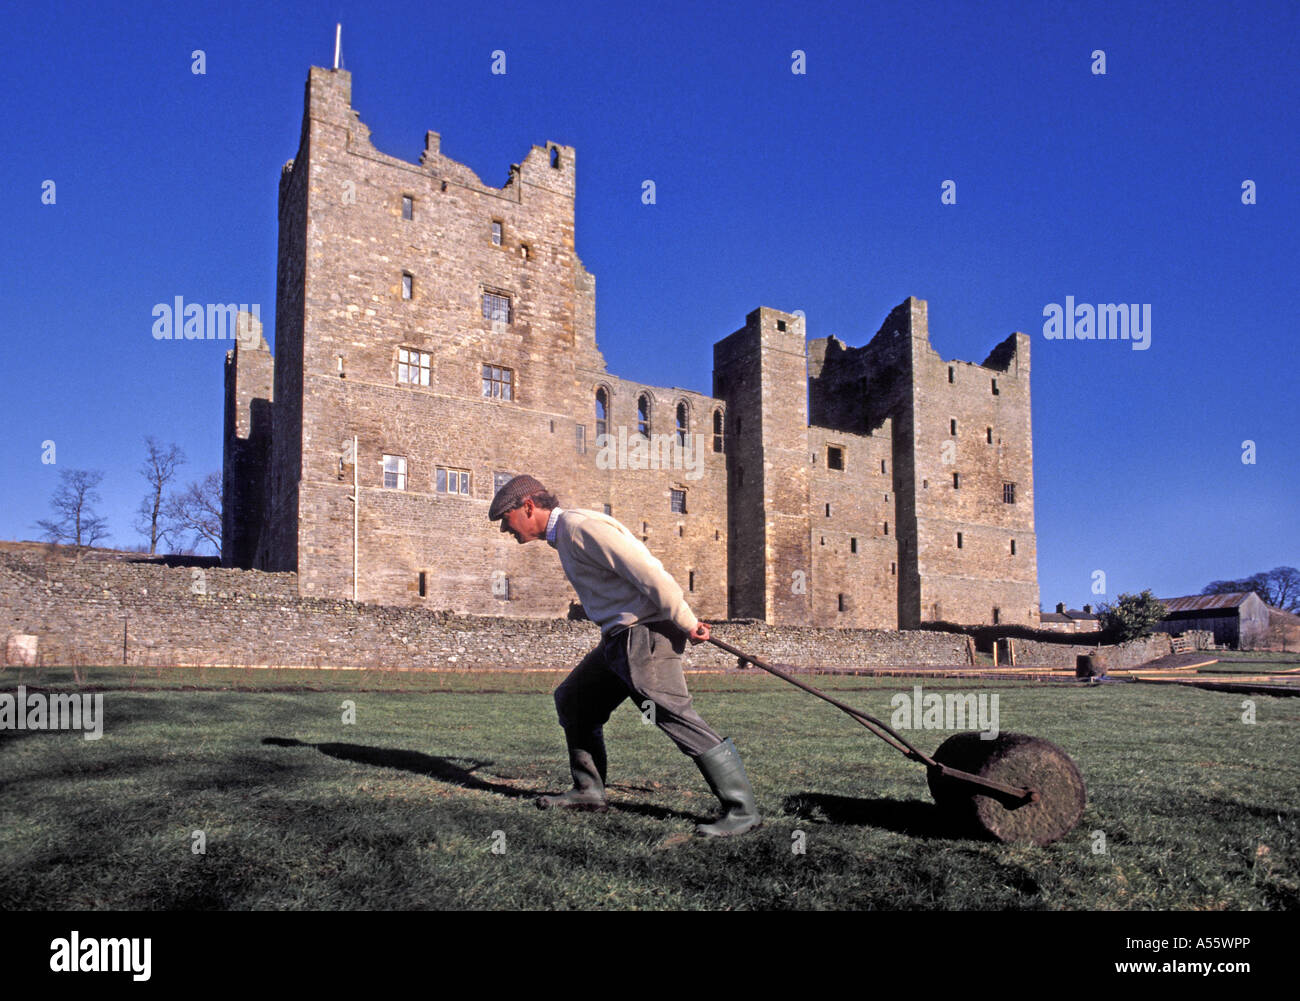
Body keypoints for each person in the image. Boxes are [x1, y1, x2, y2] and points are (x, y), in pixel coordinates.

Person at [488, 474, 760, 837]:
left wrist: (685, 620)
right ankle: (588, 792)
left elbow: (647, 571)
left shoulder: (578, 527)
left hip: (643, 635)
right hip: (618, 640)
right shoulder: (564, 536)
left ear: (528, 507)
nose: (505, 530)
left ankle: (742, 810)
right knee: (575, 700)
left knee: (672, 715)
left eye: (506, 520)